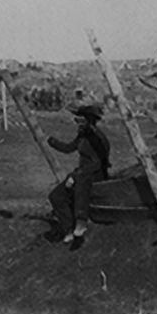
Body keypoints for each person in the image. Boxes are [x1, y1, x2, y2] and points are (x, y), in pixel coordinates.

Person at [46, 103, 111, 243]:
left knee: (80, 180)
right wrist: (52, 142)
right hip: (83, 173)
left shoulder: (97, 138)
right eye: (77, 121)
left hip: (95, 174)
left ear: (90, 121)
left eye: (81, 121)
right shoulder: (83, 135)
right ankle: (68, 228)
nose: (78, 124)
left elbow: (97, 164)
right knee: (55, 196)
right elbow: (69, 148)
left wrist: (74, 177)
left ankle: (81, 221)